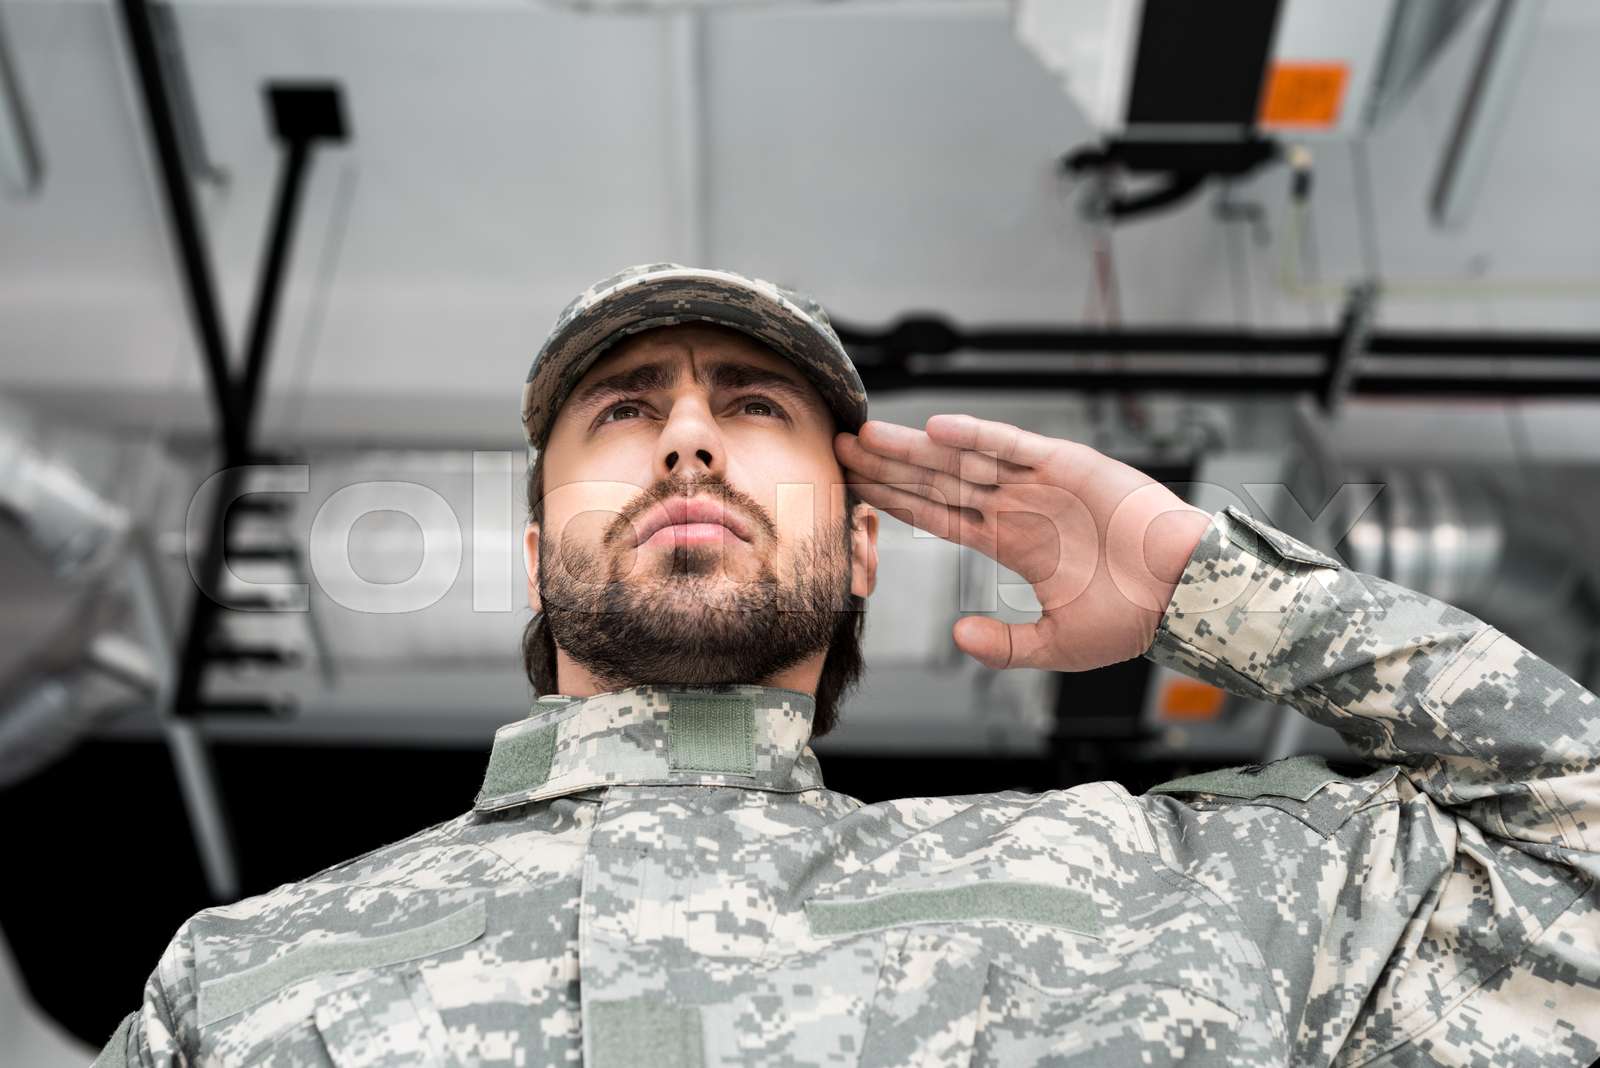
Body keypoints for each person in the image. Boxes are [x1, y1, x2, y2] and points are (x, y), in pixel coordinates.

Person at [96, 264, 1598, 1067]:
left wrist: (1213, 589)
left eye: (754, 406)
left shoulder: (1159, 891)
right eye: (626, 410)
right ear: (540, 552)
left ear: (863, 545)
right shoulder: (236, 985)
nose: (690, 436)